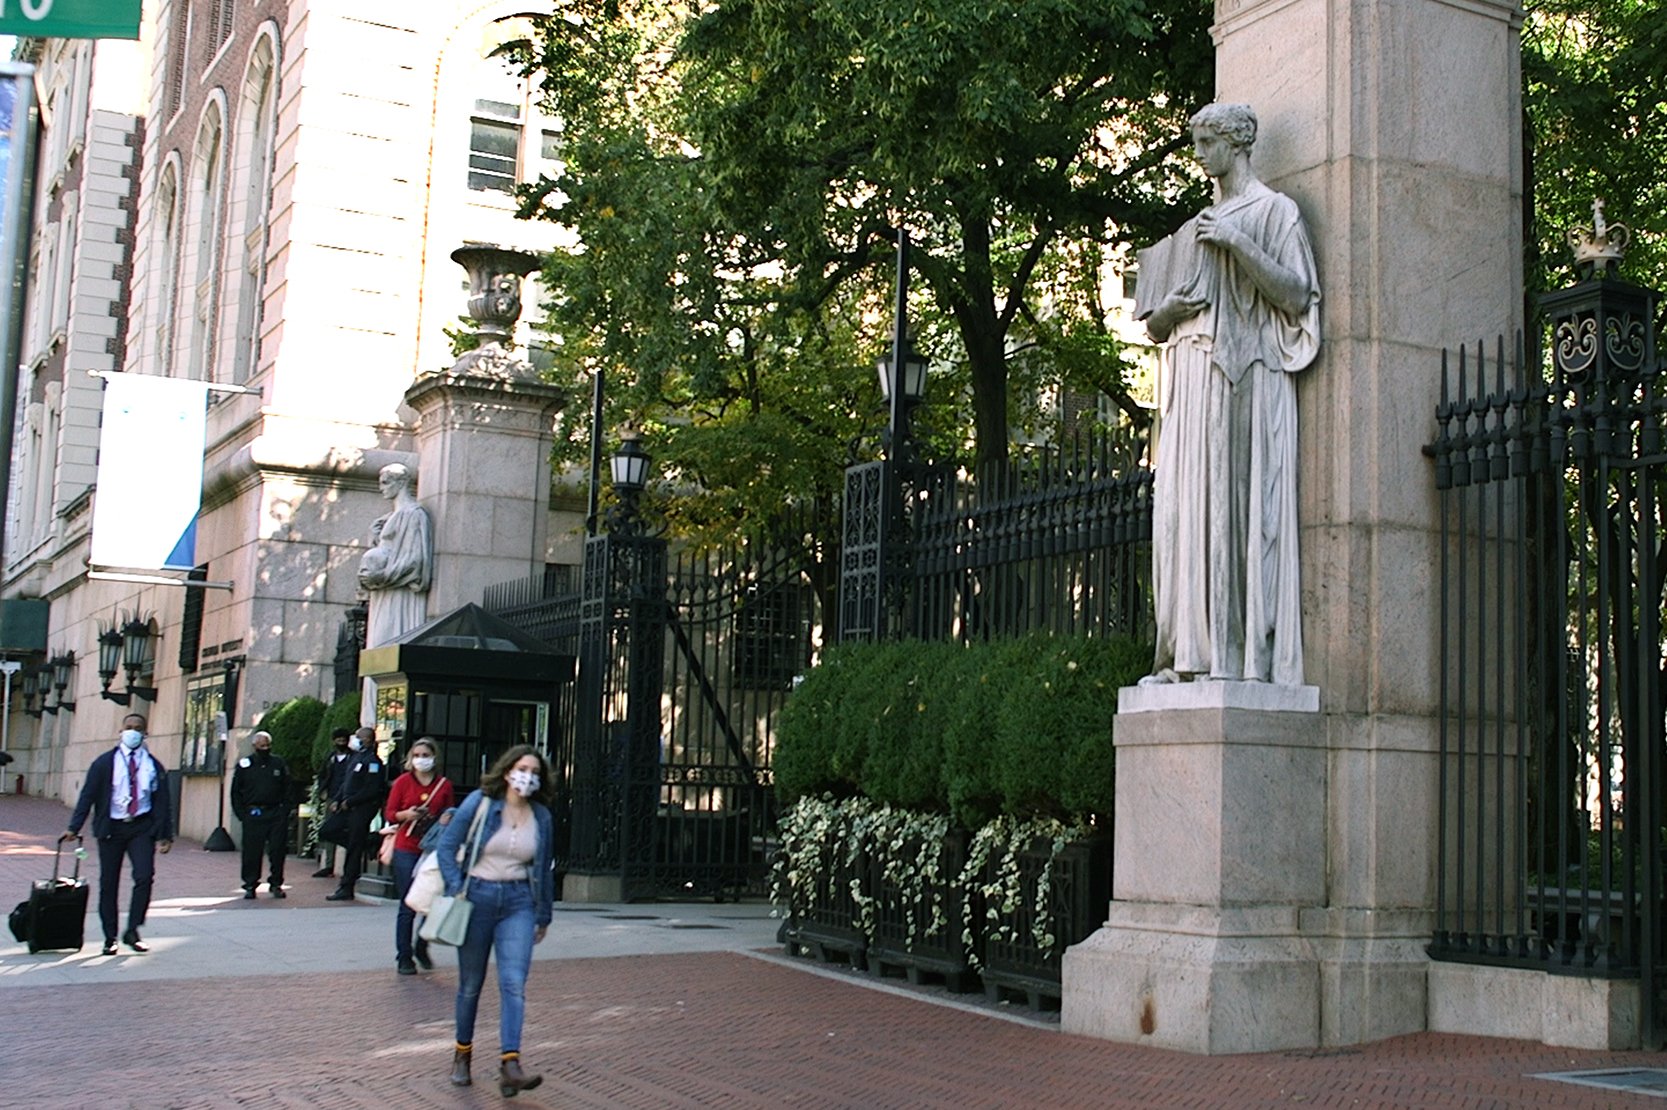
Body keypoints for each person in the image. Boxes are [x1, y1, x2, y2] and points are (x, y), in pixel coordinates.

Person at [1139, 102, 1320, 687]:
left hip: (1241, 375)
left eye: (1206, 141)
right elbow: (1157, 322)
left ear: (1237, 143)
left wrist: (1240, 244)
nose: (1197, 154)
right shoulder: (1197, 223)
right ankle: (1187, 654)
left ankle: (1235, 655)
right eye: (1194, 141)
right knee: (1185, 514)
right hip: (1190, 381)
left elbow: (1296, 295)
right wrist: (1165, 312)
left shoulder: (1276, 212)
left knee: (1233, 513)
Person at [435, 744, 555, 1094]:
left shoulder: (542, 816)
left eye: (535, 773)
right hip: (477, 899)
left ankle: (510, 1063)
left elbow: (544, 869)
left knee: (514, 983)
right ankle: (462, 1054)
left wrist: (543, 915)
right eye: (522, 769)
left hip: (519, 901)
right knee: (471, 984)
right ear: (506, 771)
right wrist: (457, 887)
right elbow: (446, 848)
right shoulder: (480, 803)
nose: (527, 777)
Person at [61, 713, 174, 955]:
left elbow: (163, 801)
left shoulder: (153, 765)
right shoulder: (104, 763)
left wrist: (165, 835)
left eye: (138, 728)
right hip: (112, 828)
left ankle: (133, 929)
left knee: (144, 876)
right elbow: (88, 796)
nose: (132, 732)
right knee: (108, 882)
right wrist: (74, 827)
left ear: (145, 733)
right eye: (128, 727)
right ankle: (109, 936)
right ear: (120, 732)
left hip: (141, 827)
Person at [384, 736, 455, 974]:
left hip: (432, 848)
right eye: (417, 756)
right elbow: (391, 813)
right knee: (408, 903)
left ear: (434, 758)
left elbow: (450, 812)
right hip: (407, 846)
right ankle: (404, 956)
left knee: (432, 899)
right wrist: (407, 814)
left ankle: (421, 944)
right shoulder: (403, 782)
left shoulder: (443, 785)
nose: (421, 760)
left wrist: (446, 816)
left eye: (426, 755)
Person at [358, 462, 432, 648]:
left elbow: (415, 561)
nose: (381, 488)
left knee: (386, 641)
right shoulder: (390, 517)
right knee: (377, 644)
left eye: (385, 482)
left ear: (400, 483)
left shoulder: (414, 514)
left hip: (399, 593)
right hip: (384, 591)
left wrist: (381, 575)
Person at [326, 727, 388, 902]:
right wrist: (338, 800)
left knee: (353, 848)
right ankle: (368, 842)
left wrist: (351, 801)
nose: (355, 740)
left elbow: (372, 789)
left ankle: (347, 886)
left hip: (361, 809)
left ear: (367, 740)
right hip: (347, 807)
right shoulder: (356, 758)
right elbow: (346, 783)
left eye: (358, 737)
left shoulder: (373, 761)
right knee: (328, 830)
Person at [230, 729, 291, 899]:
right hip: (254, 813)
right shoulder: (245, 765)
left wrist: (284, 810)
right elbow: (236, 791)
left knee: (277, 850)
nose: (265, 748)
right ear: (254, 746)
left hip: (275, 813)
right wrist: (242, 814)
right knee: (251, 852)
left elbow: (287, 788)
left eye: (267, 745)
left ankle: (276, 883)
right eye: (261, 745)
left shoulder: (278, 763)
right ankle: (250, 884)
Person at [312, 727, 353, 878]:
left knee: (348, 831)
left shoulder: (353, 757)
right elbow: (322, 775)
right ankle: (328, 865)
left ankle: (349, 865)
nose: (341, 742)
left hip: (348, 799)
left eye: (344, 740)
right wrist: (322, 791)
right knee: (328, 830)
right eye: (338, 740)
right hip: (331, 797)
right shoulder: (330, 758)